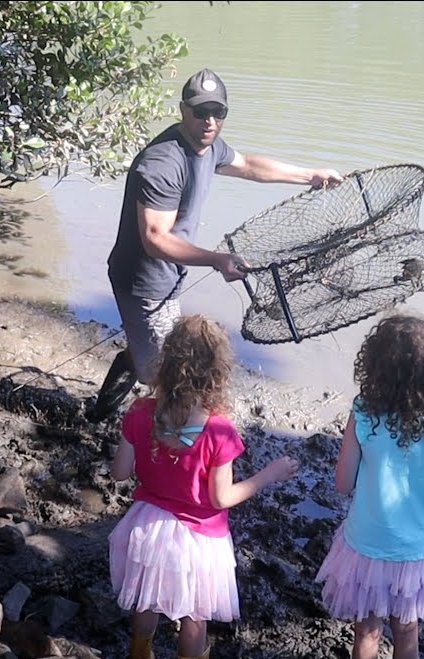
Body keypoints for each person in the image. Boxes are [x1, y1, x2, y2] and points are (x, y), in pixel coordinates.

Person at [86, 67, 344, 421]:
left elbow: (250, 165)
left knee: (152, 353)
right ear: (182, 110)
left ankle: (99, 413)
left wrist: (309, 175)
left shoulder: (208, 146)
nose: (210, 120)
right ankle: (152, 445)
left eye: (218, 112)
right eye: (200, 111)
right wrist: (216, 259)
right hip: (144, 282)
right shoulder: (162, 163)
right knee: (166, 379)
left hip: (168, 274)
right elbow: (155, 239)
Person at [107, 314, 300, 659]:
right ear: (217, 372)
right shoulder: (218, 430)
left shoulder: (141, 411)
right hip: (198, 538)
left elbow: (120, 473)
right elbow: (221, 499)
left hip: (148, 526)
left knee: (146, 598)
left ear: (167, 362)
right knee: (194, 615)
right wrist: (270, 475)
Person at [315, 313, 424, 659]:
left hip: (367, 544)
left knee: (366, 631)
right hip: (418, 550)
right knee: (407, 629)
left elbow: (343, 483)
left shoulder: (363, 414)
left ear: (375, 367)